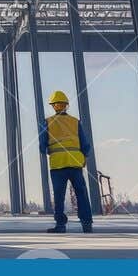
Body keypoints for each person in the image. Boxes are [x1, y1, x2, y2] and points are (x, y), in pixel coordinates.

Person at [39, 89, 94, 233]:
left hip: (57, 165)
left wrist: (49, 151)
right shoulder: (75, 122)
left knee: (59, 196)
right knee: (81, 194)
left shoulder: (48, 122)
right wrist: (83, 157)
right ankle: (87, 224)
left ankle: (60, 225)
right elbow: (86, 145)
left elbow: (42, 146)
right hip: (75, 164)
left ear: (53, 106)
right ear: (66, 105)